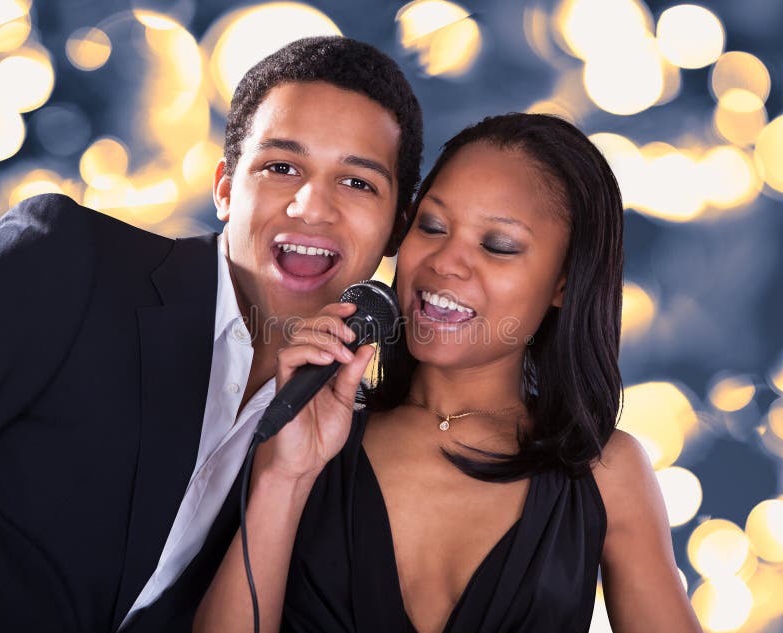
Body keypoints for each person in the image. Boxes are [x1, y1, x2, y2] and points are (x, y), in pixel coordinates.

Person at [194, 113, 704, 633]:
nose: (445, 262)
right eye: (432, 227)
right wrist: (285, 476)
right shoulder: (304, 430)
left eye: (497, 245)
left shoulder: (605, 474)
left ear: (564, 284)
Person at [0, 36, 422, 633]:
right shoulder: (69, 260)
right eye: (281, 167)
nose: (311, 206)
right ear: (223, 187)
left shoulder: (340, 445)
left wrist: (281, 480)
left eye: (357, 183)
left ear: (396, 229)